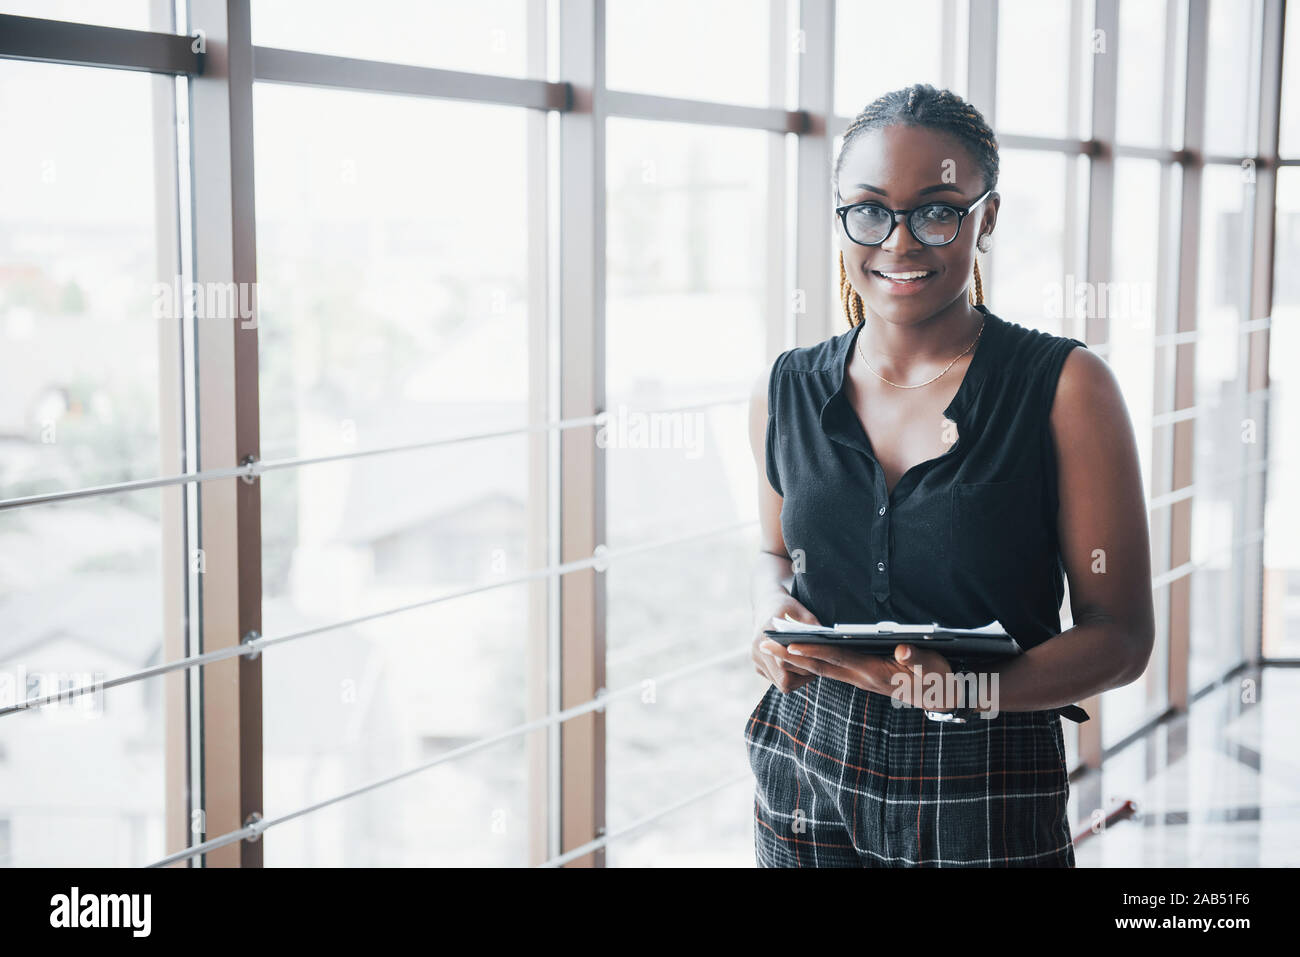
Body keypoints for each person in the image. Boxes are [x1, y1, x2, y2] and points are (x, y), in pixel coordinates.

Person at [744, 84, 1155, 867]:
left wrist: (963, 690)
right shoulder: (785, 388)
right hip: (801, 757)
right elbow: (774, 555)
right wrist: (771, 615)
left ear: (986, 218)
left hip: (982, 774)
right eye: (869, 210)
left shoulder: (1067, 386)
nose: (899, 243)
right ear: (841, 217)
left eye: (936, 210)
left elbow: (1122, 637)